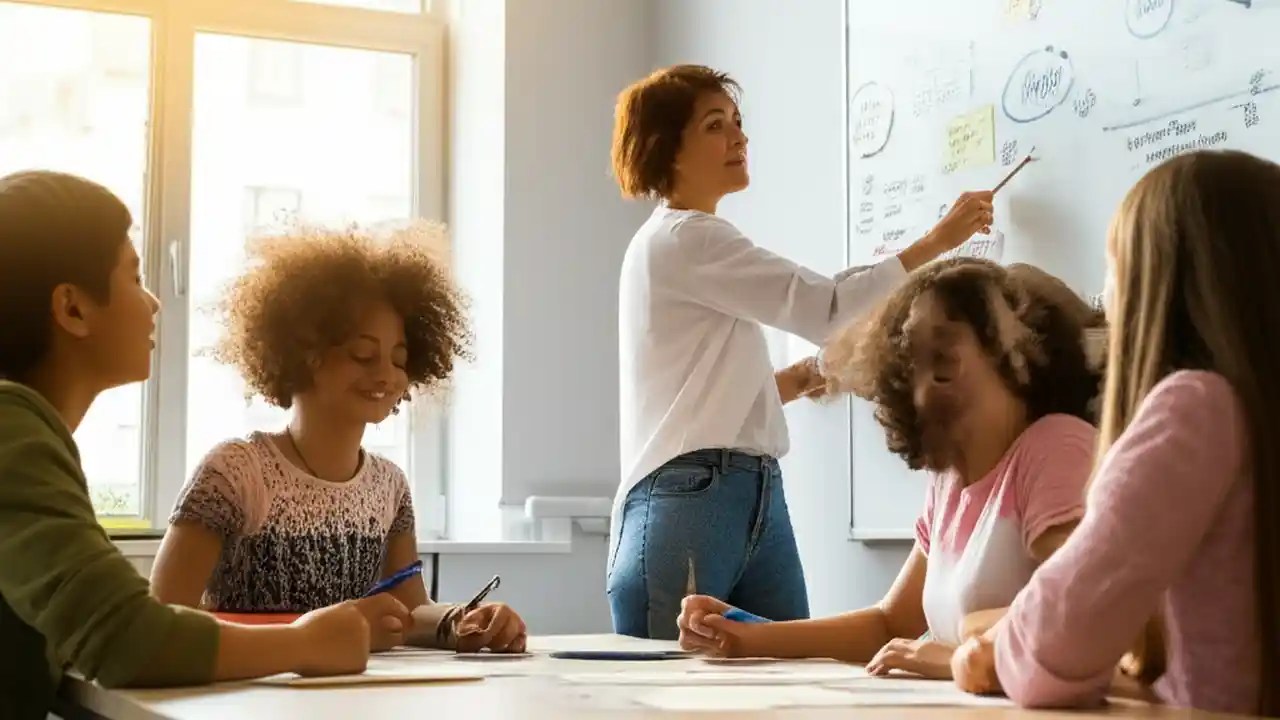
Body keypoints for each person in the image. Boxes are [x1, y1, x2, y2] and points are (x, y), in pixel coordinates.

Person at [606, 63, 996, 640]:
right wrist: (939, 241)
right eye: (716, 125)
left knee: (787, 670)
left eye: (737, 122)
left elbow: (710, 389)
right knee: (710, 684)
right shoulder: (688, 238)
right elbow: (829, 306)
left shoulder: (685, 246)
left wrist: (808, 375)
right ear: (668, 149)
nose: (739, 137)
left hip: (744, 488)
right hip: (696, 493)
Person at [0, 171, 402, 719]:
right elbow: (126, 639)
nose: (154, 303)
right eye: (134, 276)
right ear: (72, 308)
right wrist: (305, 644)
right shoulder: (11, 429)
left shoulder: (27, 434)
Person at [951, 149, 1280, 717]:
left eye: (1113, 269)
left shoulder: (1195, 409)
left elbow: (1062, 635)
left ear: (1156, 282)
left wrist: (994, 655)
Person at [678, 258, 1102, 679]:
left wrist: (957, 658)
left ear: (1020, 355)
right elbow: (891, 623)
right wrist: (744, 635)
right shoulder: (950, 478)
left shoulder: (1056, 446)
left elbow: (1089, 608)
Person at [149, 223, 527, 654]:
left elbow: (409, 610)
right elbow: (163, 617)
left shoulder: (389, 487)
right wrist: (317, 631)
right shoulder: (235, 474)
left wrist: (462, 621)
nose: (385, 374)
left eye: (399, 359)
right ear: (304, 353)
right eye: (363, 356)